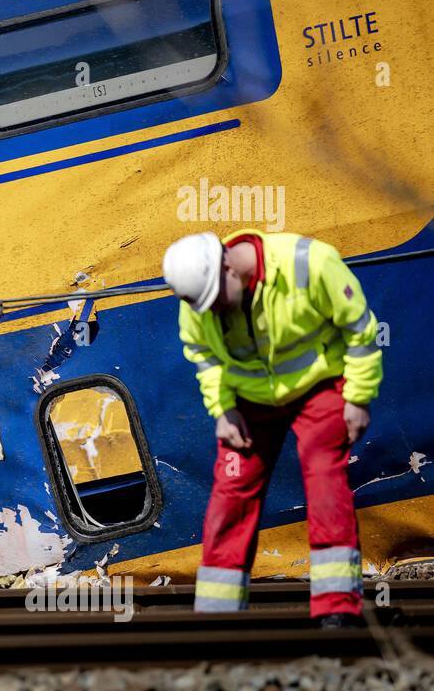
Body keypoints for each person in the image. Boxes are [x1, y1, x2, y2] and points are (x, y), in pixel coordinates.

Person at [161, 230, 382, 627]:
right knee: (231, 493)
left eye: (216, 302)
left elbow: (359, 330)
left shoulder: (310, 263)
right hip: (248, 400)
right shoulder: (200, 301)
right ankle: (217, 617)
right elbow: (204, 355)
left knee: (325, 481)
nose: (212, 312)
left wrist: (358, 397)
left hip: (319, 388)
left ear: (229, 267)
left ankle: (337, 610)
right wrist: (223, 409)